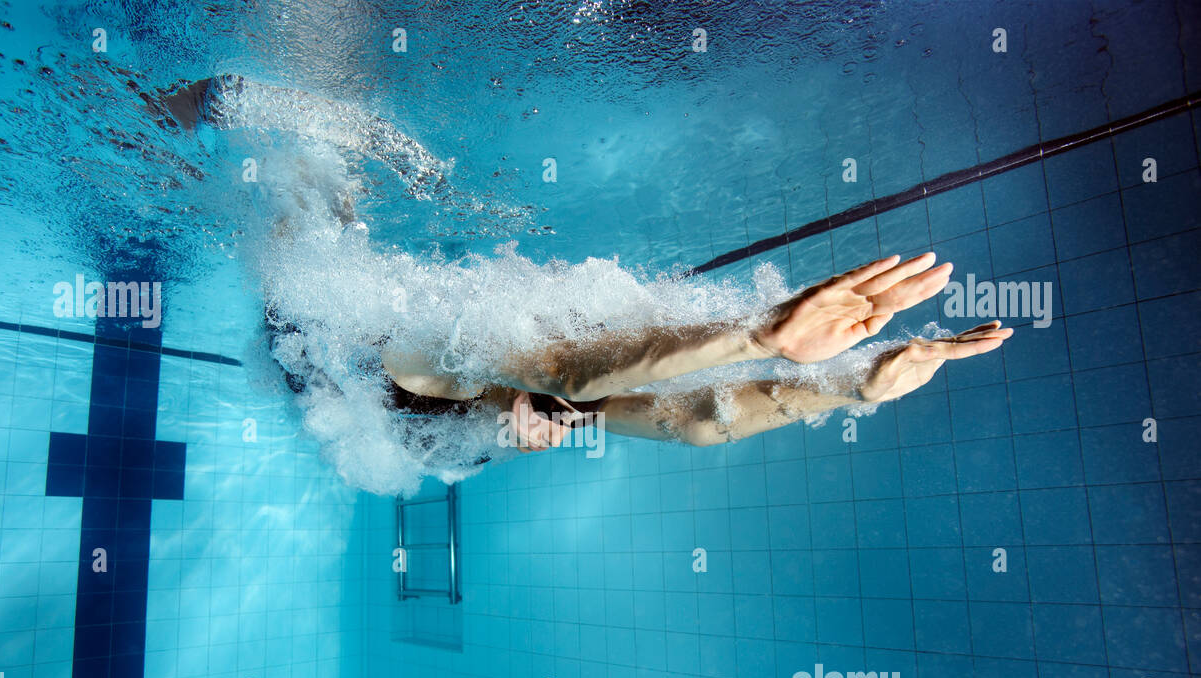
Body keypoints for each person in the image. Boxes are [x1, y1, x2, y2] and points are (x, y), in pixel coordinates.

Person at [152, 77, 1012, 456]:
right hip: (378, 353)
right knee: (339, 245)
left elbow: (624, 394)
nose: (565, 411)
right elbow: (684, 419)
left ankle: (204, 126)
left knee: (304, 234)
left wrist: (764, 337)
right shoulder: (485, 366)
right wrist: (845, 387)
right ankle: (280, 149)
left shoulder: (421, 377)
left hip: (327, 358)